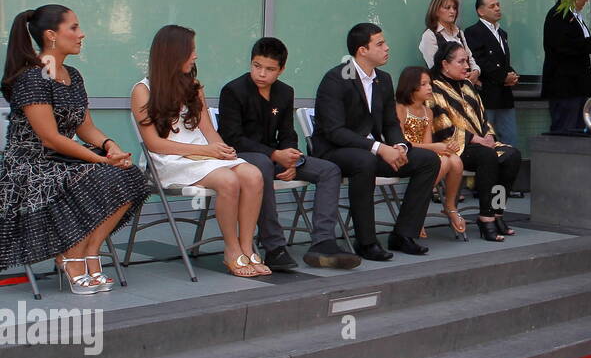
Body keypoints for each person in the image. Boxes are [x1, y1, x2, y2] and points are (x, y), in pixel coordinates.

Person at [0, 6, 148, 293]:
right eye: (74, 28)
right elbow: (50, 138)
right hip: (30, 166)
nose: (82, 34)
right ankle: (70, 256)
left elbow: (85, 128)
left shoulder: (73, 75)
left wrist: (110, 147)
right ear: (51, 35)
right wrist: (99, 160)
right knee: (95, 177)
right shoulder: (33, 77)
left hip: (65, 160)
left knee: (132, 177)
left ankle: (90, 250)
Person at [132, 25, 269, 277]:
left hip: (203, 155)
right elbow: (155, 144)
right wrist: (206, 151)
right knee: (228, 180)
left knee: (253, 174)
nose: (195, 55)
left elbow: (208, 130)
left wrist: (222, 149)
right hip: (168, 159)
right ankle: (231, 249)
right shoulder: (143, 91)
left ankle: (247, 246)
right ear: (174, 53)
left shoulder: (193, 86)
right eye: (191, 50)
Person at [217, 38, 360, 271]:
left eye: (269, 69)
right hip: (242, 158)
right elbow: (232, 137)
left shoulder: (284, 92)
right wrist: (276, 155)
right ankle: (274, 247)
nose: (261, 73)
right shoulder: (233, 91)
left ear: (281, 69)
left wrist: (292, 158)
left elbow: (287, 132)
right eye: (256, 66)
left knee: (329, 170)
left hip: (274, 156)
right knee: (261, 164)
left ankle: (323, 242)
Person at [312, 23, 440, 261]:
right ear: (362, 50)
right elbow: (334, 131)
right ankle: (366, 242)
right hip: (336, 152)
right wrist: (379, 148)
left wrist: (400, 146)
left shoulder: (383, 79)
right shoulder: (336, 78)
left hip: (374, 151)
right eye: (380, 44)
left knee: (429, 160)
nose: (387, 48)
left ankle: (404, 234)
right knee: (365, 161)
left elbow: (391, 123)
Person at [427, 43, 523, 242]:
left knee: (512, 155)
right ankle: (485, 216)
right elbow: (440, 126)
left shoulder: (468, 86)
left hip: (480, 144)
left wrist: (489, 136)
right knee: (487, 156)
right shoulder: (434, 87)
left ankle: (497, 213)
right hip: (453, 147)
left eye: (467, 61)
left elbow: (482, 118)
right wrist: (474, 139)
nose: (467, 66)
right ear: (445, 64)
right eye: (461, 61)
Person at [395, 65, 467, 240]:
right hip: (403, 155)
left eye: (429, 83)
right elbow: (401, 143)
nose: (429, 88)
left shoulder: (428, 111)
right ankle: (416, 213)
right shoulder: (401, 108)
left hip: (423, 156)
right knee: (442, 161)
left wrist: (445, 147)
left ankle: (450, 206)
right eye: (424, 84)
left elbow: (427, 145)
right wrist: (436, 148)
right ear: (410, 87)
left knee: (455, 160)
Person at [542, 0, 591, 134]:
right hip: (566, 86)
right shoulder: (558, 15)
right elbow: (563, 47)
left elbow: (579, 44)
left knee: (578, 129)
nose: (586, 1)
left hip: (579, 85)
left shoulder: (575, 16)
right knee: (566, 130)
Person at [463, 0, 519, 148]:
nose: (497, 8)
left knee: (510, 138)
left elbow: (503, 61)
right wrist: (503, 76)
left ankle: (508, 169)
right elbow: (479, 60)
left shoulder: (502, 33)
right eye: (492, 6)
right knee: (488, 139)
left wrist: (513, 75)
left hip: (505, 96)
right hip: (487, 94)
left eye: (498, 5)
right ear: (481, 11)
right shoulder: (473, 31)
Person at [418, 0, 480, 84]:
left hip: (466, 83)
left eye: (454, 8)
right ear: (436, 11)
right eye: (447, 8)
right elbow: (435, 67)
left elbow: (469, 57)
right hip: (444, 86)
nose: (452, 11)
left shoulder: (459, 32)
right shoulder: (430, 35)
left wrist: (476, 71)